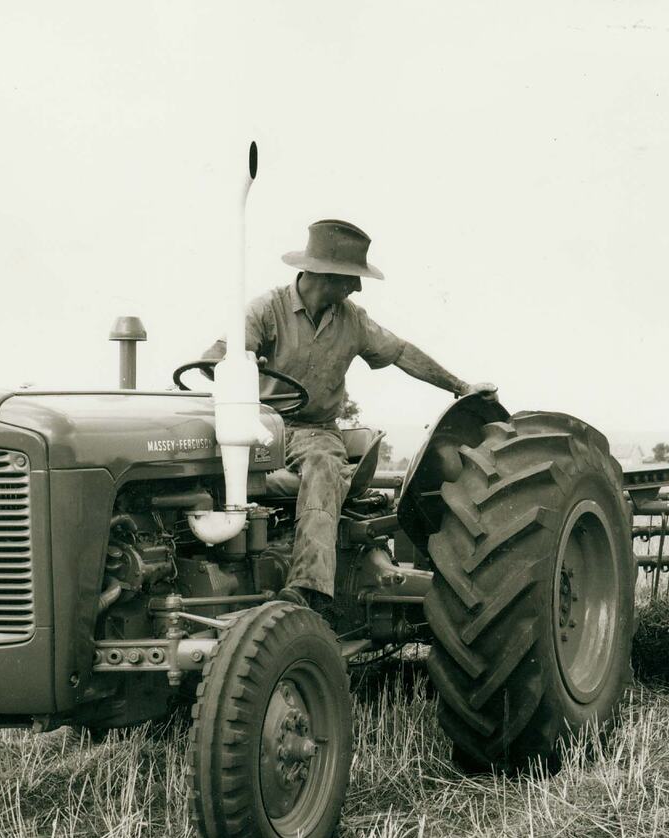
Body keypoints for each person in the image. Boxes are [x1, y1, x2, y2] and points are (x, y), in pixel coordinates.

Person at [204, 218, 495, 613]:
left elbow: (402, 353)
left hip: (314, 431)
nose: (357, 287)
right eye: (351, 278)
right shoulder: (266, 310)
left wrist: (460, 385)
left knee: (324, 464)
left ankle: (307, 588)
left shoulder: (352, 320)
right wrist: (238, 364)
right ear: (324, 274)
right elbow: (214, 360)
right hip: (260, 425)